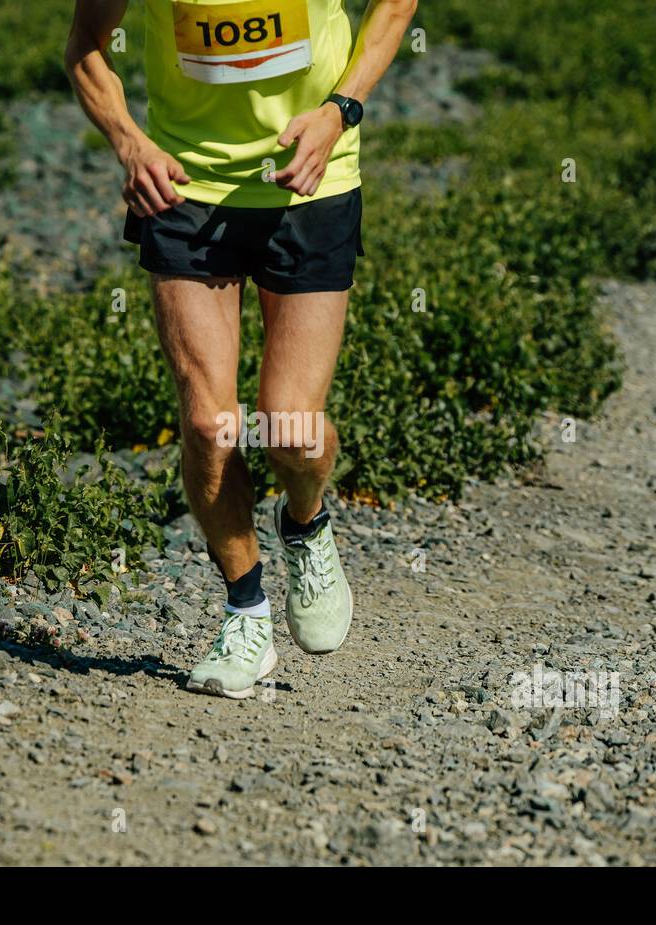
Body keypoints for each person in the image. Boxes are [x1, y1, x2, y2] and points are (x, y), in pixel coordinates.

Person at [65, 0, 418, 697]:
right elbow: (85, 42)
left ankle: (306, 523)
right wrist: (130, 144)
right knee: (207, 422)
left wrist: (340, 110)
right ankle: (246, 613)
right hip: (186, 189)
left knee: (293, 428)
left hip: (311, 184)